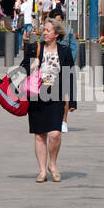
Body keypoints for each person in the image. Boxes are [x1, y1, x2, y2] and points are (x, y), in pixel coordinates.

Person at [20, 20, 76, 182]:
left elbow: (70, 76)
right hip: (36, 94)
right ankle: (42, 171)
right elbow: (21, 70)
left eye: (48, 30)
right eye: (43, 30)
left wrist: (72, 101)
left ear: (56, 34)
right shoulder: (34, 48)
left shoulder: (64, 51)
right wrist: (33, 64)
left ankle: (53, 164)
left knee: (55, 134)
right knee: (39, 135)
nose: (44, 33)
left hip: (56, 95)